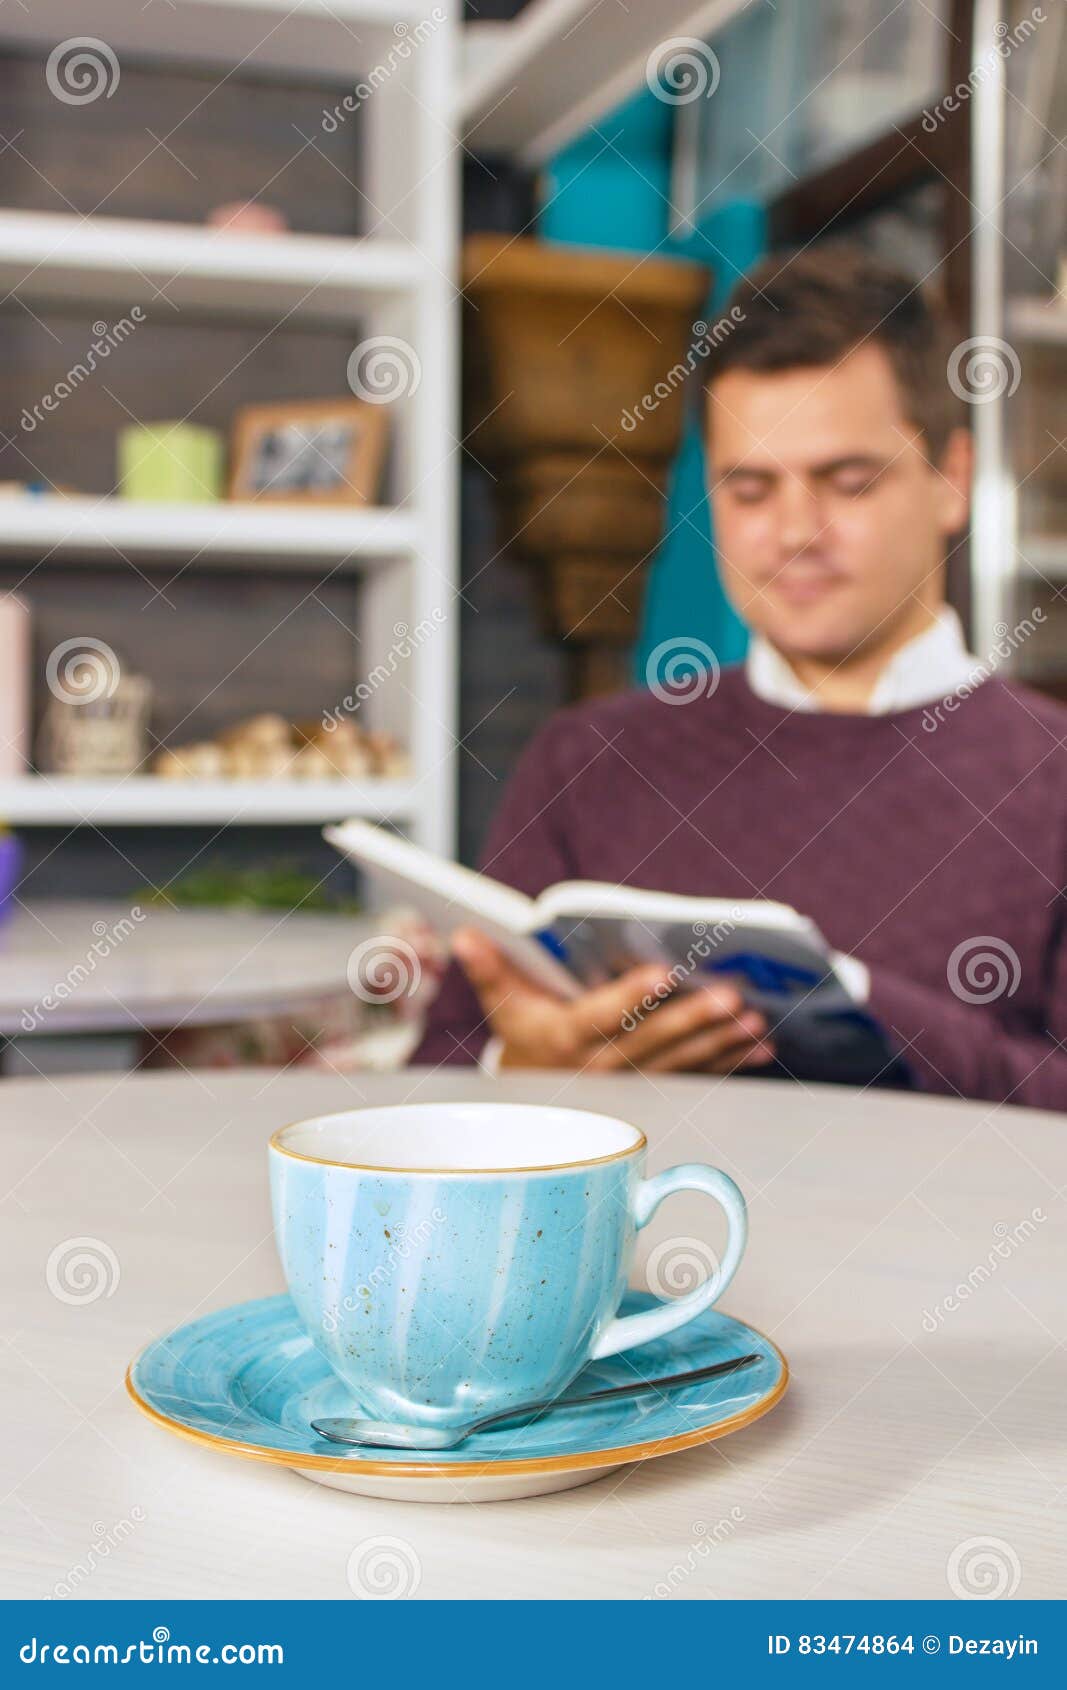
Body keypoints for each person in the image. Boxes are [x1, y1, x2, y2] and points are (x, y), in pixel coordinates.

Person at [412, 246, 1067, 1109]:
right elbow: (434, 1078)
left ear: (950, 482)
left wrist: (863, 1009)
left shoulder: (1047, 778)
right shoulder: (589, 759)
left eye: (846, 481)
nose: (794, 532)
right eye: (750, 489)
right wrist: (520, 1074)